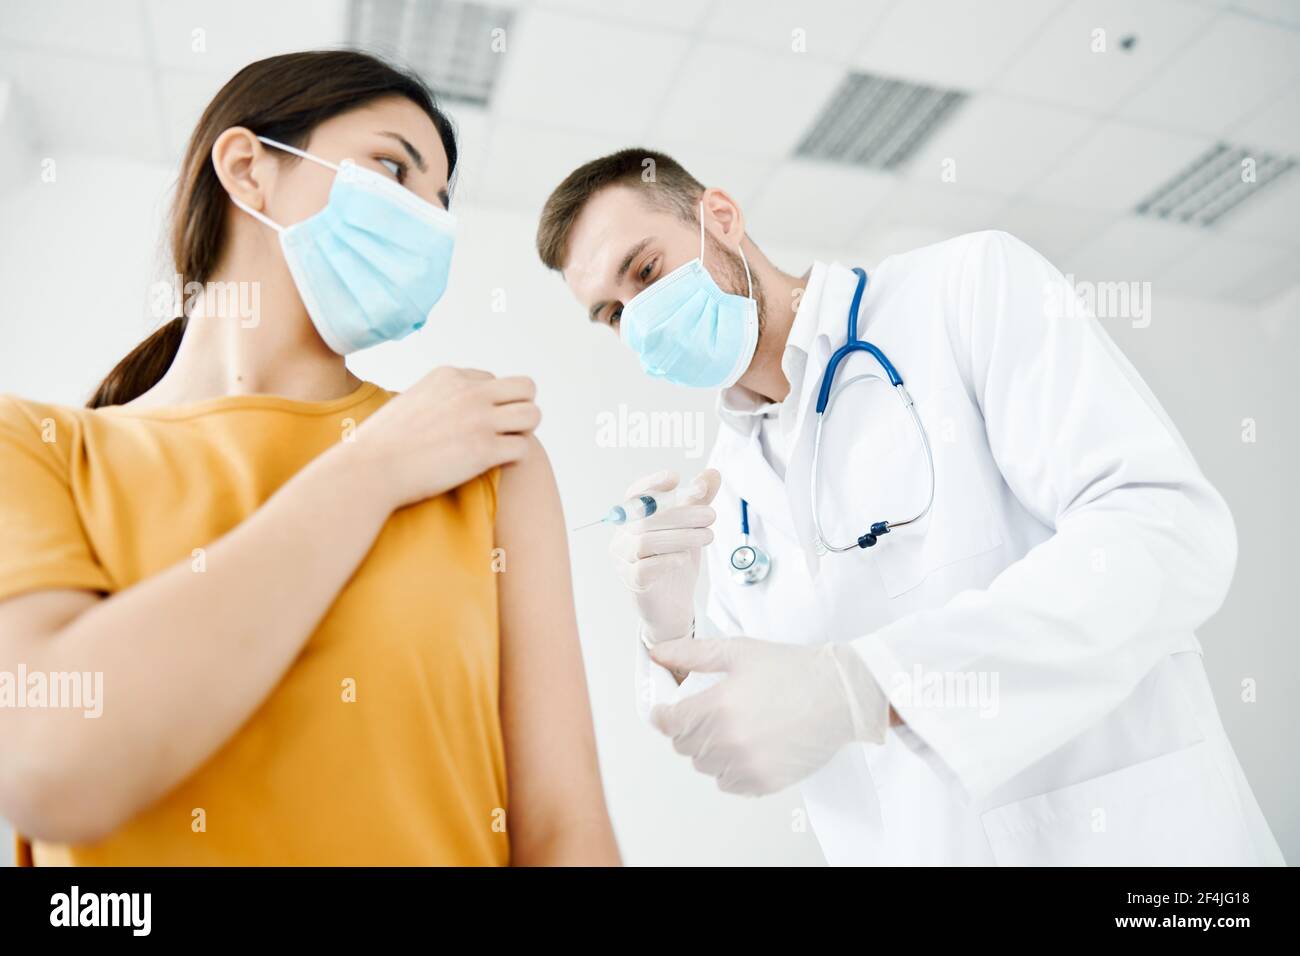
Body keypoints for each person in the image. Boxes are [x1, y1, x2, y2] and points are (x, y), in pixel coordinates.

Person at [534, 147, 1284, 866]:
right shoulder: (727, 488)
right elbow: (749, 732)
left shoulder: (965, 289)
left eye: (647, 270)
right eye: (613, 312)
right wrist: (670, 627)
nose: (642, 317)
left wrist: (873, 685)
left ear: (721, 217)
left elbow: (1166, 531)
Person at [0, 51, 619, 866]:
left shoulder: (489, 461)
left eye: (441, 204)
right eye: (393, 168)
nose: (427, 223)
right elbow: (52, 765)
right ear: (249, 169)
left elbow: (565, 834)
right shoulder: (37, 450)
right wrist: (372, 472)